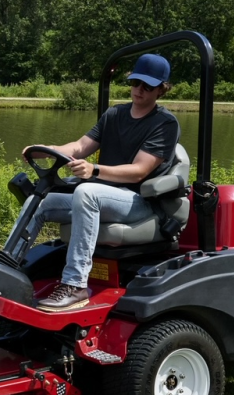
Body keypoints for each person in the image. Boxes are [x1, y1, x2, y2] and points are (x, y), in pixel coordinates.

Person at [15, 53, 181, 311]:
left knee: (87, 191)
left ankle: (75, 284)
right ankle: (8, 267)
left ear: (162, 89)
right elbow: (80, 147)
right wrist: (44, 149)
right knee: (41, 200)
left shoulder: (164, 124)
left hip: (138, 202)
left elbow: (138, 171)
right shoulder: (115, 114)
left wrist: (94, 170)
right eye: (136, 82)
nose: (139, 90)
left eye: (148, 86)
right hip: (103, 197)